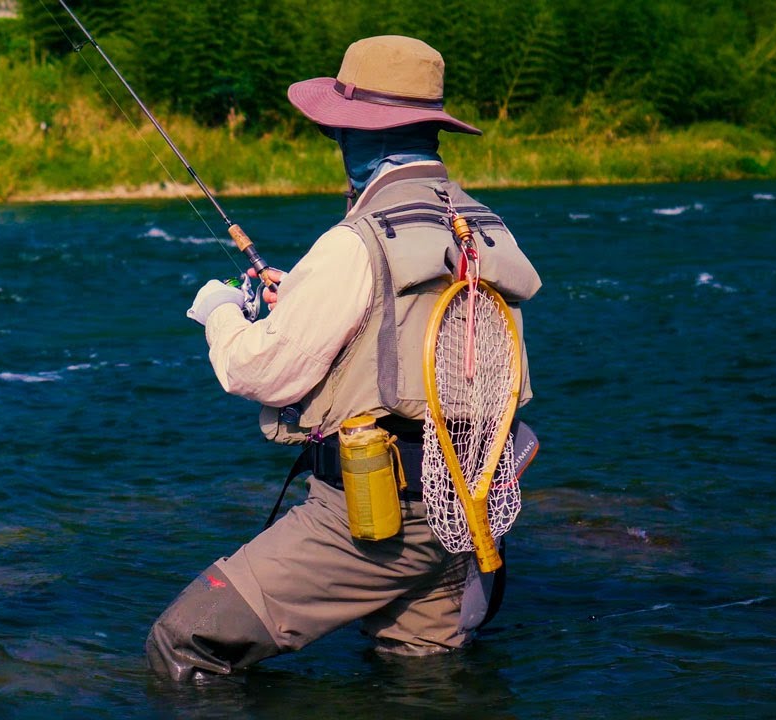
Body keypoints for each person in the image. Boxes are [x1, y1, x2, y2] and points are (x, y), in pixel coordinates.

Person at [146, 35, 543, 682]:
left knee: (184, 646)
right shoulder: (485, 224)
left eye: (338, 128)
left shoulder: (354, 243)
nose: (335, 140)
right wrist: (300, 299)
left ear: (361, 135)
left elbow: (256, 371)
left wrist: (218, 307)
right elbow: (421, 339)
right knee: (420, 677)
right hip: (465, 506)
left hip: (372, 517)